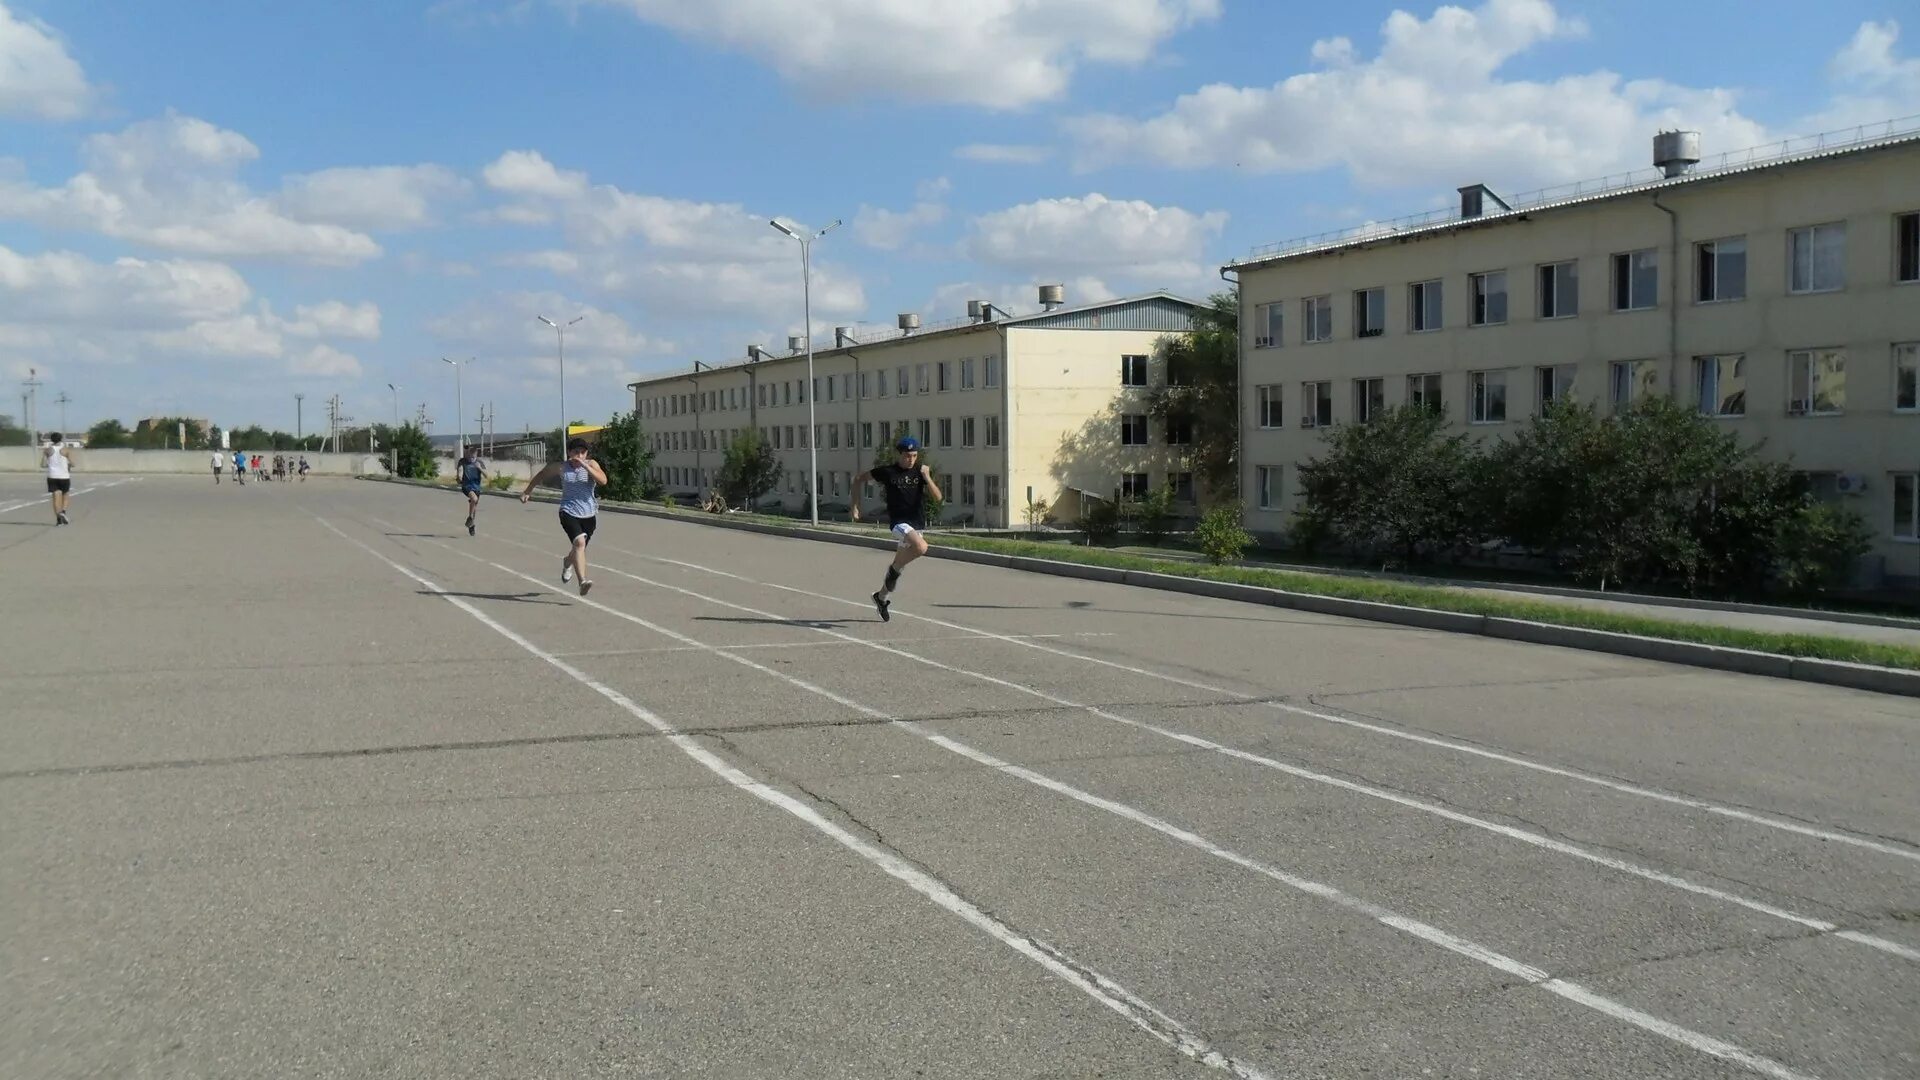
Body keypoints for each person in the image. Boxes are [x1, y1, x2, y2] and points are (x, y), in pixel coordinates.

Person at [850, 436, 941, 623]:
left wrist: (927, 477)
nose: (911, 459)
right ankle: (891, 572)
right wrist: (855, 506)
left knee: (897, 568)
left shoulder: (919, 472)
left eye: (914, 455)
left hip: (917, 525)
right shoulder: (888, 472)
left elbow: (938, 497)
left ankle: (881, 598)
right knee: (922, 548)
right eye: (907, 456)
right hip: (899, 523)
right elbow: (858, 479)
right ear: (899, 454)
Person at [522, 438, 606, 596]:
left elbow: (603, 480)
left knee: (578, 549)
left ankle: (567, 561)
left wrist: (585, 466)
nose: (579, 455)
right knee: (580, 543)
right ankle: (582, 582)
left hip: (589, 514)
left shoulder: (592, 464)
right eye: (576, 452)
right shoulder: (561, 467)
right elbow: (541, 474)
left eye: (583, 452)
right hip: (568, 511)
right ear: (569, 452)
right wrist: (527, 492)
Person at [43, 433, 75, 525]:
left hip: (52, 476)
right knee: (65, 494)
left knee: (55, 497)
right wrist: (68, 464)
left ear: (51, 440)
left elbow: (42, 464)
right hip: (64, 476)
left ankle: (58, 519)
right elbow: (73, 464)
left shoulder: (47, 450)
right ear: (60, 439)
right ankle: (63, 512)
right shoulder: (65, 450)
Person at [456, 447, 486, 536]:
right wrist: (459, 476)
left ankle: (471, 525)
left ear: (476, 456)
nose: (470, 459)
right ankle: (470, 519)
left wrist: (479, 468)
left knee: (474, 506)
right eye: (469, 457)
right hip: (466, 486)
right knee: (474, 499)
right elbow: (460, 470)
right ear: (467, 454)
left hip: (476, 487)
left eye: (473, 457)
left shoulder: (479, 462)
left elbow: (487, 475)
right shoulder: (462, 461)